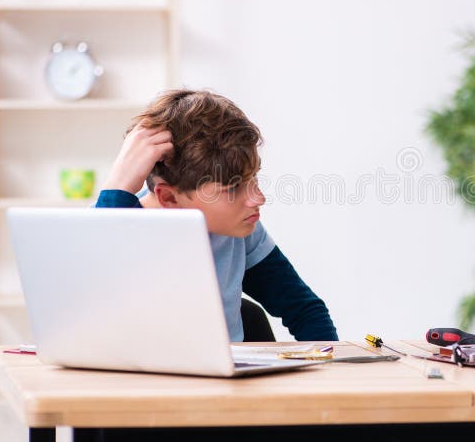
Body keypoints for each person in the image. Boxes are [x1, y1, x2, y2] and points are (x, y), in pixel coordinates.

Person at [94, 89, 338, 342]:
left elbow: (305, 311)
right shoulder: (110, 223)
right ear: (169, 198)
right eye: (232, 188)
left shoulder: (239, 230)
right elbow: (91, 311)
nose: (258, 199)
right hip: (135, 381)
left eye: (253, 177)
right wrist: (117, 187)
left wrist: (331, 375)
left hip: (227, 379)